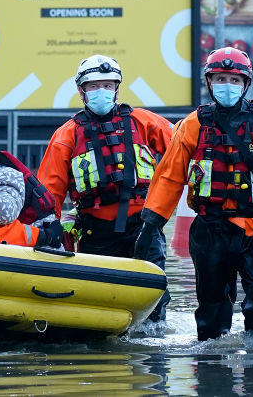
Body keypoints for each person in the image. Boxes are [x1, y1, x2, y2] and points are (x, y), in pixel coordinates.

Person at [134, 47, 253, 340]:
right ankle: (212, 364)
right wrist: (151, 224)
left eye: (234, 80)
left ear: (245, 84)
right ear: (209, 82)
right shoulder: (192, 125)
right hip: (210, 230)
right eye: (220, 79)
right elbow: (169, 177)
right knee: (212, 314)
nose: (227, 85)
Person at [38, 54, 173, 320]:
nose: (102, 91)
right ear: (82, 92)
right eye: (94, 86)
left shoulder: (143, 121)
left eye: (108, 85)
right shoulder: (67, 134)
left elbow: (182, 150)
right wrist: (47, 231)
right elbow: (49, 190)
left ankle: (154, 334)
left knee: (153, 299)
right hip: (96, 229)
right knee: (97, 300)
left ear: (117, 89)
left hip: (144, 226)